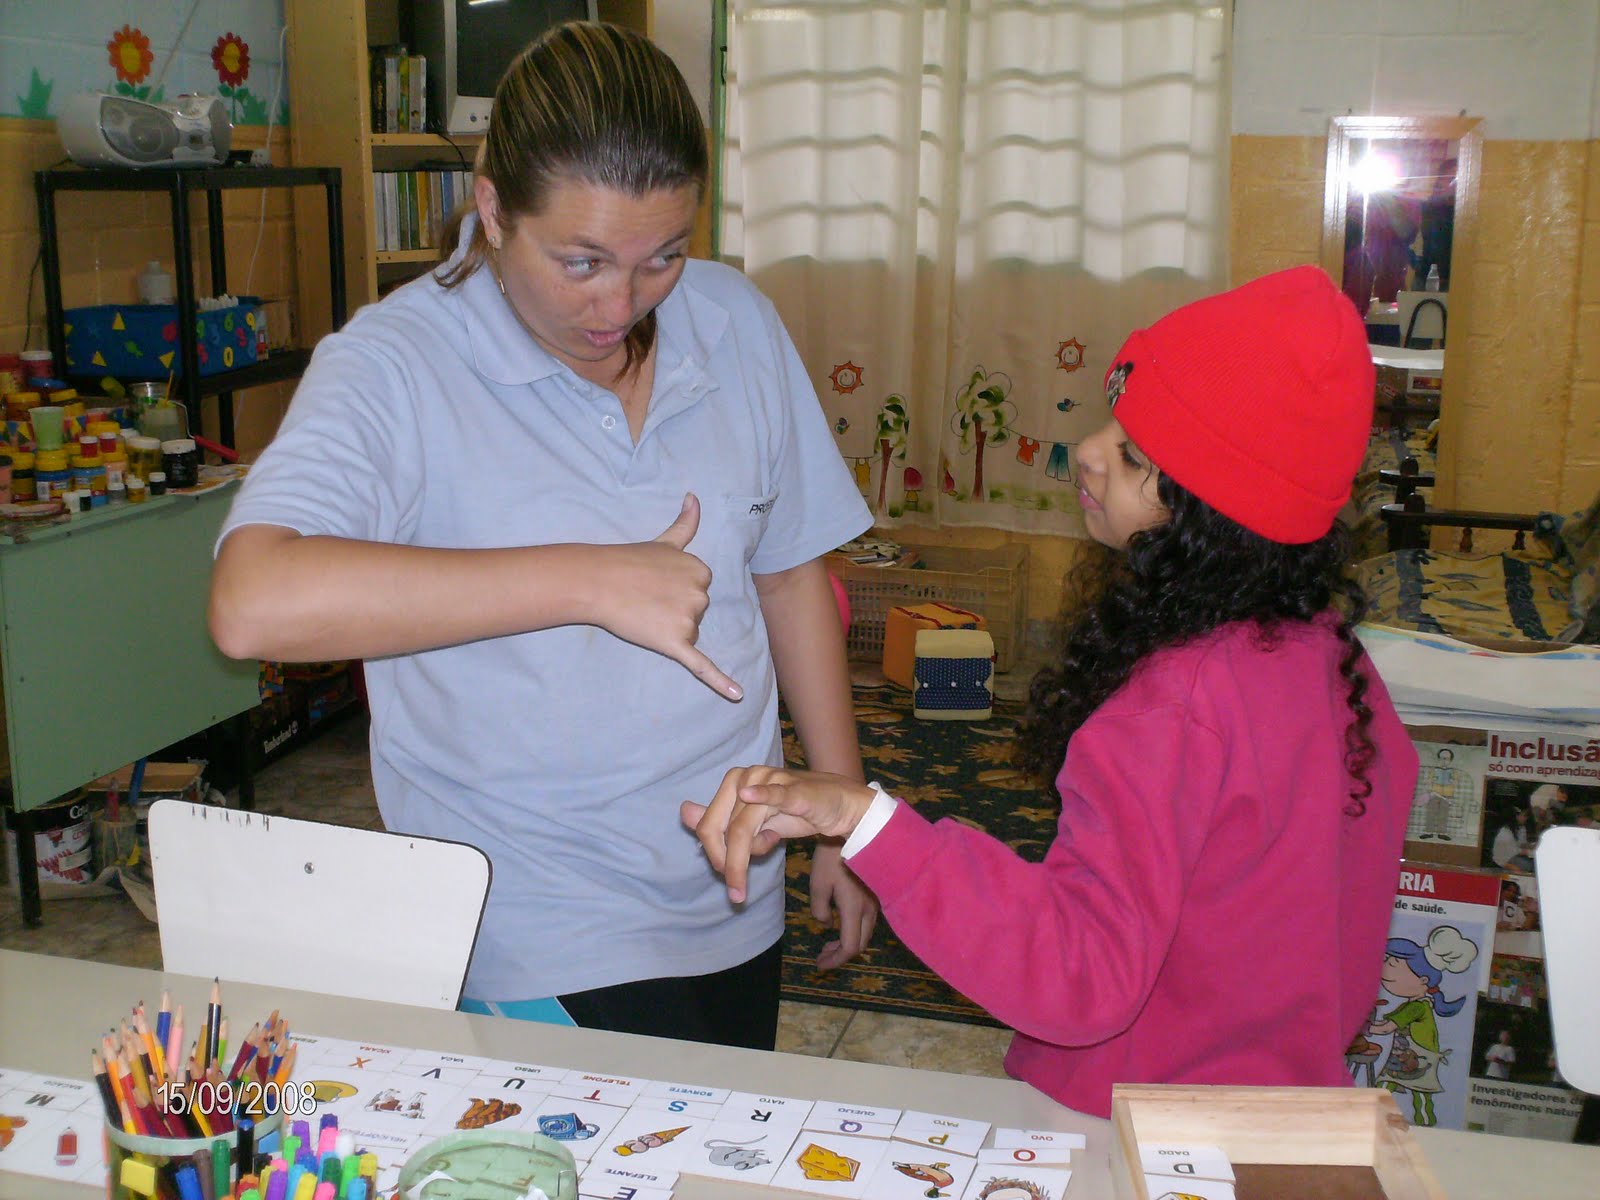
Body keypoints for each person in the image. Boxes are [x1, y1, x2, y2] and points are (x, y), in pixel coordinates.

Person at [208, 22, 876, 1050]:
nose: (621, 302)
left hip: (730, 889)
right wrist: (586, 580)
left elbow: (786, 578)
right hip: (531, 915)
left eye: (663, 256)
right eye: (581, 260)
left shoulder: (731, 320)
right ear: (490, 209)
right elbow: (253, 603)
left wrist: (843, 808)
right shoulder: (395, 364)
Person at [683, 265, 1419, 1117]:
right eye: (1115, 421)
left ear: (1212, 515)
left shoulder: (1175, 704)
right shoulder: (1332, 657)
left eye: (1136, 454)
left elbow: (1080, 974)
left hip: (1137, 1122)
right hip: (1275, 1109)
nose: (1093, 452)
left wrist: (864, 819)